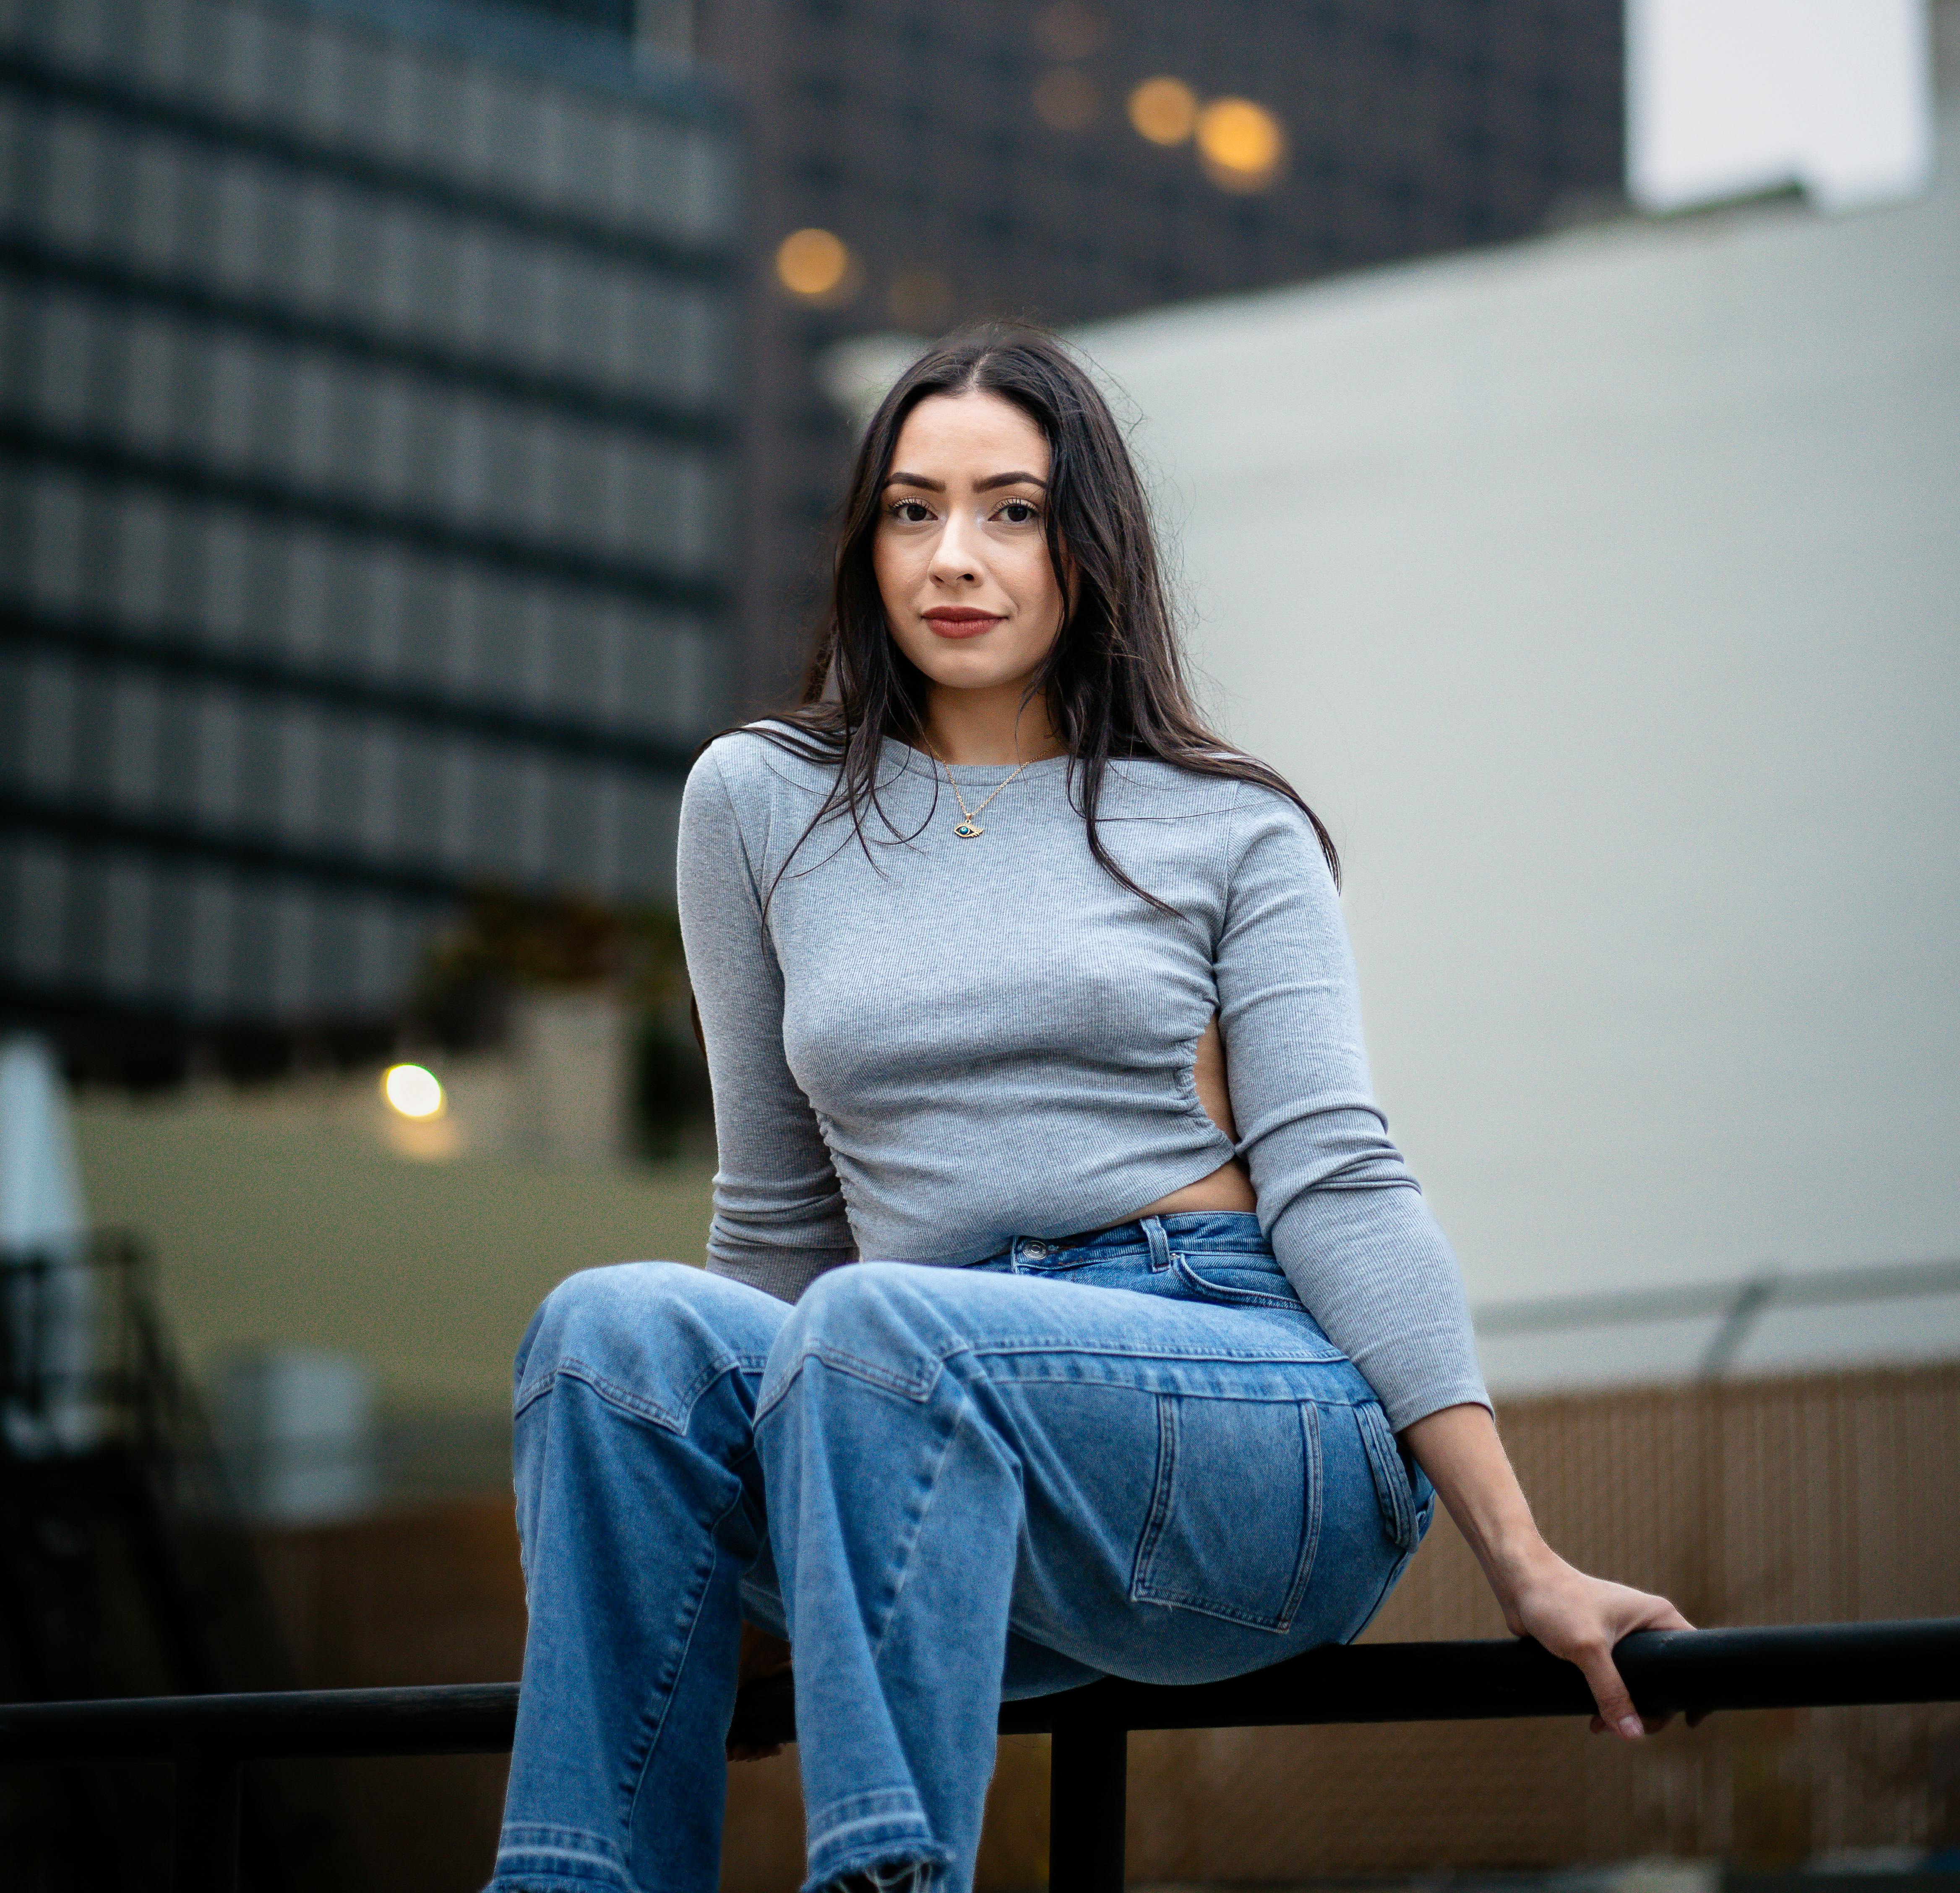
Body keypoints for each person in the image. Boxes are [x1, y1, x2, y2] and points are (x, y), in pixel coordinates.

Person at [488, 330, 1688, 1893]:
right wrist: (775, 1525)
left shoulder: (1226, 824)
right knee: (610, 1334)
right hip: (909, 1410)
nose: (955, 559)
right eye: (912, 512)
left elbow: (1339, 1178)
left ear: (1088, 544)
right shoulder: (758, 804)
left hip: (1247, 1407)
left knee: (882, 1331)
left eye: (1012, 511)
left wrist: (1521, 1562)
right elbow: (776, 1215)